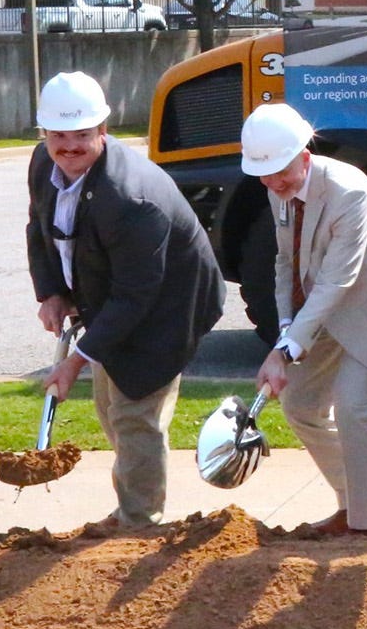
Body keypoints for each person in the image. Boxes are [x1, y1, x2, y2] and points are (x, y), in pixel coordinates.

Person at [25, 71, 225, 529]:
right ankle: (130, 508)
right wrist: (52, 292)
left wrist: (75, 361)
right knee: (110, 411)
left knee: (136, 410)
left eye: (81, 135)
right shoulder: (43, 164)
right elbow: (39, 227)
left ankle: (139, 522)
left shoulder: (131, 197)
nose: (69, 146)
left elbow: (138, 295)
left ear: (103, 132)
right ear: (44, 134)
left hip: (167, 306)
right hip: (113, 296)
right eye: (58, 135)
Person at [246, 103, 367, 536]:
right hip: (321, 311)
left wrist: (286, 350)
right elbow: (284, 265)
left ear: (305, 157)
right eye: (265, 175)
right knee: (301, 404)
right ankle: (353, 500)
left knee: (353, 406)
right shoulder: (277, 189)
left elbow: (338, 280)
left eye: (281, 173)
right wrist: (284, 337)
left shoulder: (350, 192)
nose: (274, 183)